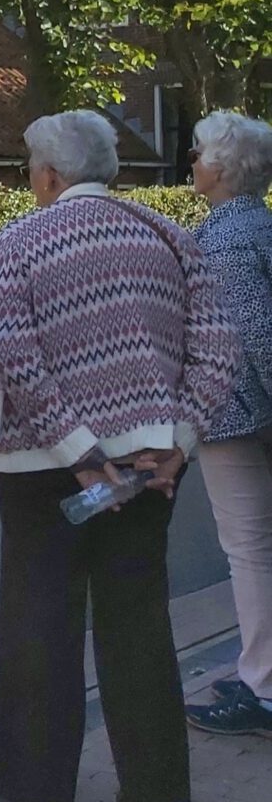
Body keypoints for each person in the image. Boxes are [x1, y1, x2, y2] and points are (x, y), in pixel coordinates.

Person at [0, 109, 237, 802]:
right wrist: (180, 440)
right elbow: (218, 346)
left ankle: (31, 796)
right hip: (151, 461)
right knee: (140, 620)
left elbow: (16, 361)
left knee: (38, 620)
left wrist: (78, 454)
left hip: (45, 467)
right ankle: (151, 795)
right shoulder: (169, 236)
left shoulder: (16, 242)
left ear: (47, 174)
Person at [185, 111, 272, 739]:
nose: (190, 161)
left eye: (196, 153)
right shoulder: (259, 223)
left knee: (250, 552)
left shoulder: (225, 238)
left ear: (219, 167)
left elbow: (255, 336)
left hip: (239, 417)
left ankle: (263, 690)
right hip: (251, 413)